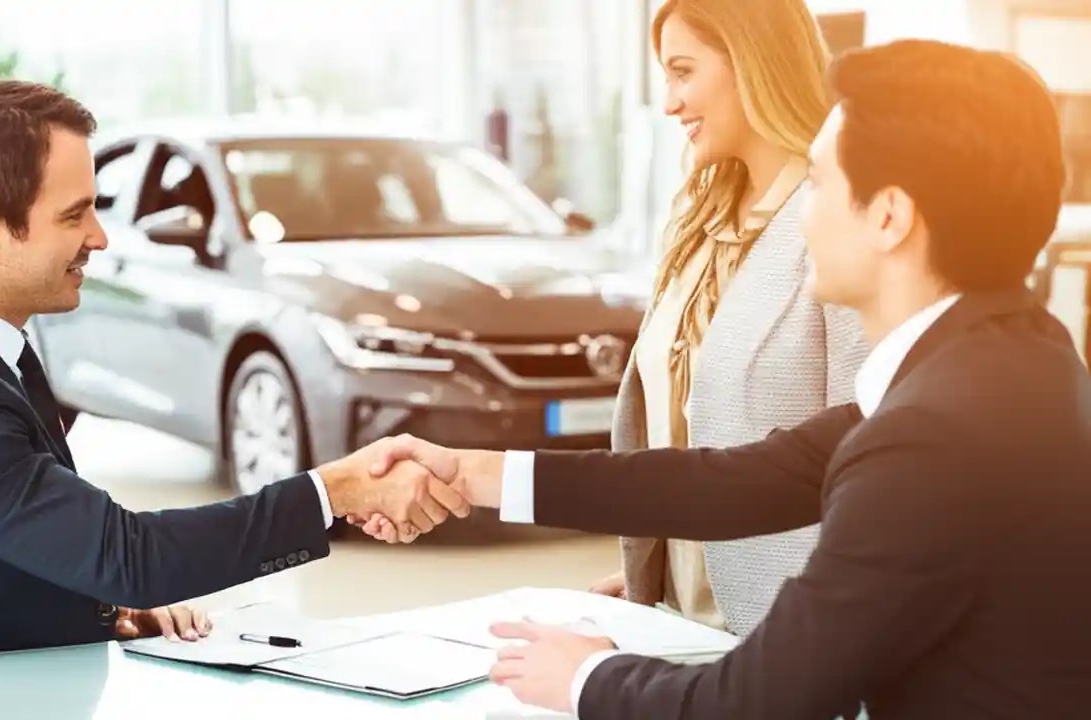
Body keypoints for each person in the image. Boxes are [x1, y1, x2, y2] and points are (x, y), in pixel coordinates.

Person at [365, 40, 1090, 718]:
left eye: (818, 183)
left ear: (890, 217)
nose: (800, 219)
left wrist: (586, 676)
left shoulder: (932, 437)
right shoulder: (1016, 358)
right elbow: (737, 482)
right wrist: (473, 475)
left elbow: (762, 700)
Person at [0, 80, 467, 664]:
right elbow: (128, 555)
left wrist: (102, 607)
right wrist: (336, 492)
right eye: (74, 215)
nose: (100, 237)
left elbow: (19, 540)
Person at [584, 0, 867, 636]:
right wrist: (660, 571)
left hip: (792, 630)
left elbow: (866, 462)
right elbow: (680, 428)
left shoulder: (834, 222)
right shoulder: (697, 222)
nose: (669, 104)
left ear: (752, 64)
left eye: (683, 72)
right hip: (681, 618)